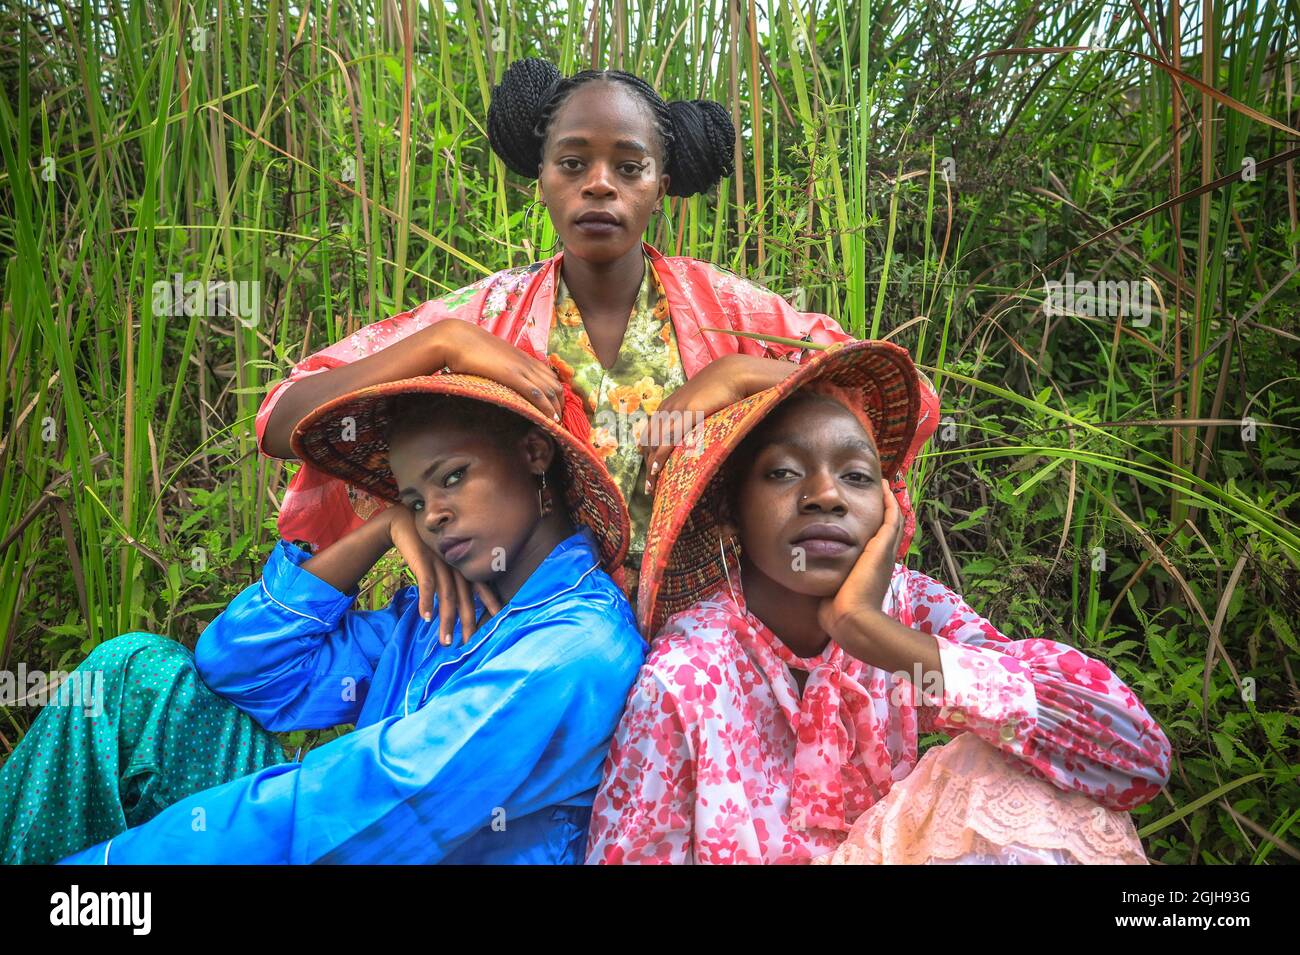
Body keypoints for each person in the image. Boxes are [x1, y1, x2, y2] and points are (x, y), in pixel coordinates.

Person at [254, 56, 930, 632]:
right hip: (529, 640)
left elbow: (891, 397)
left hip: (705, 658)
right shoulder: (487, 315)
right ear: (542, 177)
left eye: (629, 167)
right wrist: (444, 343)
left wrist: (734, 374)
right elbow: (287, 420)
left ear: (662, 187)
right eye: (573, 162)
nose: (599, 183)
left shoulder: (725, 310)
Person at [1, 361, 646, 864]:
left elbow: (375, 800)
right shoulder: (447, 609)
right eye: (416, 500)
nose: (435, 516)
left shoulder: (573, 646)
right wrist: (377, 531)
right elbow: (239, 670)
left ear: (535, 455)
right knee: (136, 675)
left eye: (453, 478)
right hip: (333, 829)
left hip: (365, 843)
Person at [585, 339, 1173, 864]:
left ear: (890, 512)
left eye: (858, 477)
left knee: (1015, 768)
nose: (825, 495)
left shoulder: (910, 608)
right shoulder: (686, 679)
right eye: (784, 473)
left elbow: (1135, 759)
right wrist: (736, 375)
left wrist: (872, 632)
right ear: (729, 515)